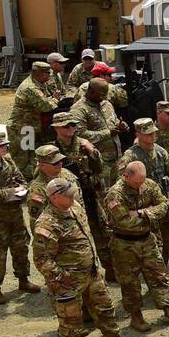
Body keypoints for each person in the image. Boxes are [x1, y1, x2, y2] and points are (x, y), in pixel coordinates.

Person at [32, 178, 142, 337]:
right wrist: (60, 276)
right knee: (71, 322)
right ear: (55, 197)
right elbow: (41, 259)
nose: (73, 195)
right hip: (68, 281)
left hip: (91, 273)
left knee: (105, 307)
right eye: (68, 193)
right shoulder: (47, 223)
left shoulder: (74, 207)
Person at [103, 160, 169, 332]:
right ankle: (136, 317)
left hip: (147, 240)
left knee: (158, 276)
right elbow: (124, 223)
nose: (140, 185)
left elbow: (165, 205)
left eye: (142, 181)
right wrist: (151, 214)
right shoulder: (115, 194)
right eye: (136, 182)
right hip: (124, 244)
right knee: (130, 283)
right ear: (125, 176)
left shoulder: (149, 184)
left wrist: (144, 213)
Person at [49, 112, 112, 281]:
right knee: (80, 236)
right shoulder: (53, 150)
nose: (71, 128)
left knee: (103, 231)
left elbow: (99, 168)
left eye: (73, 125)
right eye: (66, 125)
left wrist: (92, 151)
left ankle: (110, 268)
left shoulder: (83, 144)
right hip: (71, 200)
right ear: (56, 128)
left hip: (91, 194)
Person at [0, 132, 39, 303]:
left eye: (5, 144)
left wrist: (16, 191)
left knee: (21, 249)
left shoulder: (9, 162)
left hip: (15, 216)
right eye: (0, 145)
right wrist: (14, 191)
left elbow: (24, 183)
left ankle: (23, 280)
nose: (5, 147)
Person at [119, 119, 169, 266]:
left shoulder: (160, 152)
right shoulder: (130, 156)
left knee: (166, 237)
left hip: (162, 203)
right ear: (138, 134)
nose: (152, 136)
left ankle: (162, 266)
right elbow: (122, 182)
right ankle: (154, 270)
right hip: (144, 206)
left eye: (154, 133)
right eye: (148, 134)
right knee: (151, 240)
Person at [69, 77, 126, 189]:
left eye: (105, 95)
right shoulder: (78, 109)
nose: (103, 98)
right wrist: (108, 133)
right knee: (103, 195)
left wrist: (122, 126)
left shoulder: (106, 104)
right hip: (98, 163)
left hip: (117, 158)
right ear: (90, 91)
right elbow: (80, 135)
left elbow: (113, 122)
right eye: (100, 95)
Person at [7, 61, 59, 177]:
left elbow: (45, 101)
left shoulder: (40, 84)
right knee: (21, 159)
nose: (49, 76)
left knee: (31, 156)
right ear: (39, 74)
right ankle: (16, 182)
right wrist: (55, 99)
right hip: (22, 127)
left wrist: (50, 100)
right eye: (47, 73)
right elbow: (46, 106)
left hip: (30, 126)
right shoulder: (30, 87)